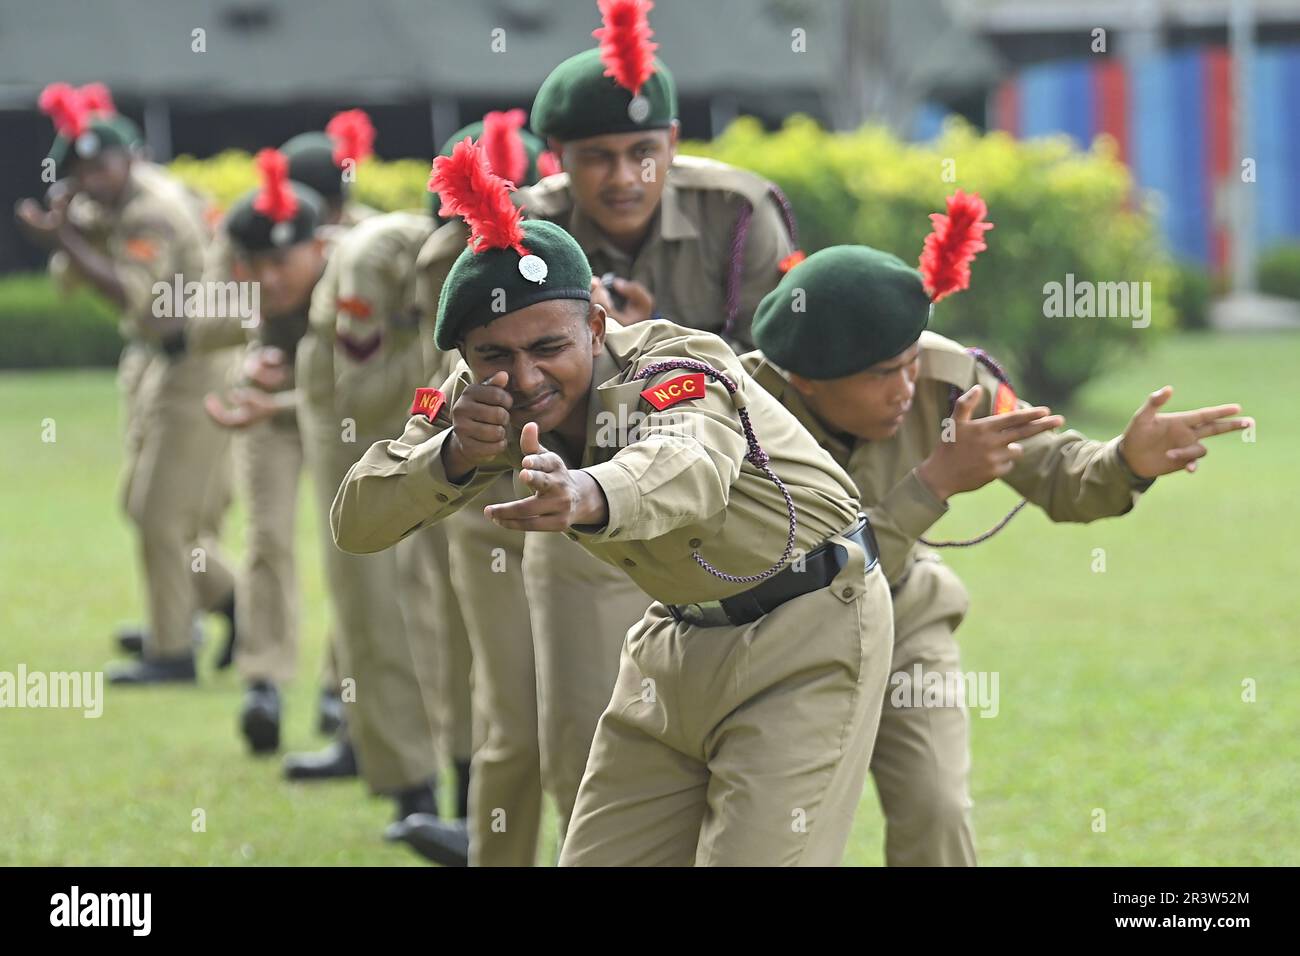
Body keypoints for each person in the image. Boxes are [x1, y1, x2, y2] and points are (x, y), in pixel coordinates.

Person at [332, 139, 895, 866]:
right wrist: (452, 456)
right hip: (676, 642)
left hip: (808, 630)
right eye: (496, 357)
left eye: (548, 345)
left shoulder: (676, 363)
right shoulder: (473, 401)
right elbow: (357, 520)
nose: (526, 376)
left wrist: (590, 490)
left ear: (596, 326)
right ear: (467, 359)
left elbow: (687, 459)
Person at [404, 0, 803, 865]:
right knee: (520, 714)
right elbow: (443, 362)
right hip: (522, 492)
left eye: (642, 151)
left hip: (689, 495)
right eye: (597, 158)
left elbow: (777, 370)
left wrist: (634, 349)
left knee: (660, 718)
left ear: (671, 142)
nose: (624, 176)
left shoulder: (738, 213)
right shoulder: (503, 233)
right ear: (560, 162)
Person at [745, 192, 1252, 865]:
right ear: (804, 380)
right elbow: (811, 574)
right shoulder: (740, 413)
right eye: (879, 375)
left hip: (902, 625)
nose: (905, 387)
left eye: (909, 362)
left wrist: (1125, 462)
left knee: (938, 809)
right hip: (777, 643)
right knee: (773, 837)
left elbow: (1059, 471)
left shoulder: (953, 379)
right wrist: (935, 484)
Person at [16, 82, 237, 685]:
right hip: (162, 361)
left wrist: (61, 239)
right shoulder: (124, 199)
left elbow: (131, 292)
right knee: (141, 505)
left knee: (160, 515)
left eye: (99, 165)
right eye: (80, 169)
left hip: (195, 363)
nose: (89, 179)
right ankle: (203, 608)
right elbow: (87, 243)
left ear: (129, 158)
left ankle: (184, 642)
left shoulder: (150, 212)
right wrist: (71, 228)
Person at [199, 149, 333, 753]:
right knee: (266, 540)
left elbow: (350, 393)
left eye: (282, 262)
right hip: (267, 412)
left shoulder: (353, 282)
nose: (269, 278)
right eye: (254, 264)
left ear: (319, 249)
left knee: (357, 546)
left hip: (342, 419)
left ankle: (342, 684)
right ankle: (264, 682)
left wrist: (284, 391)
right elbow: (189, 327)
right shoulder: (243, 283)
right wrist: (251, 358)